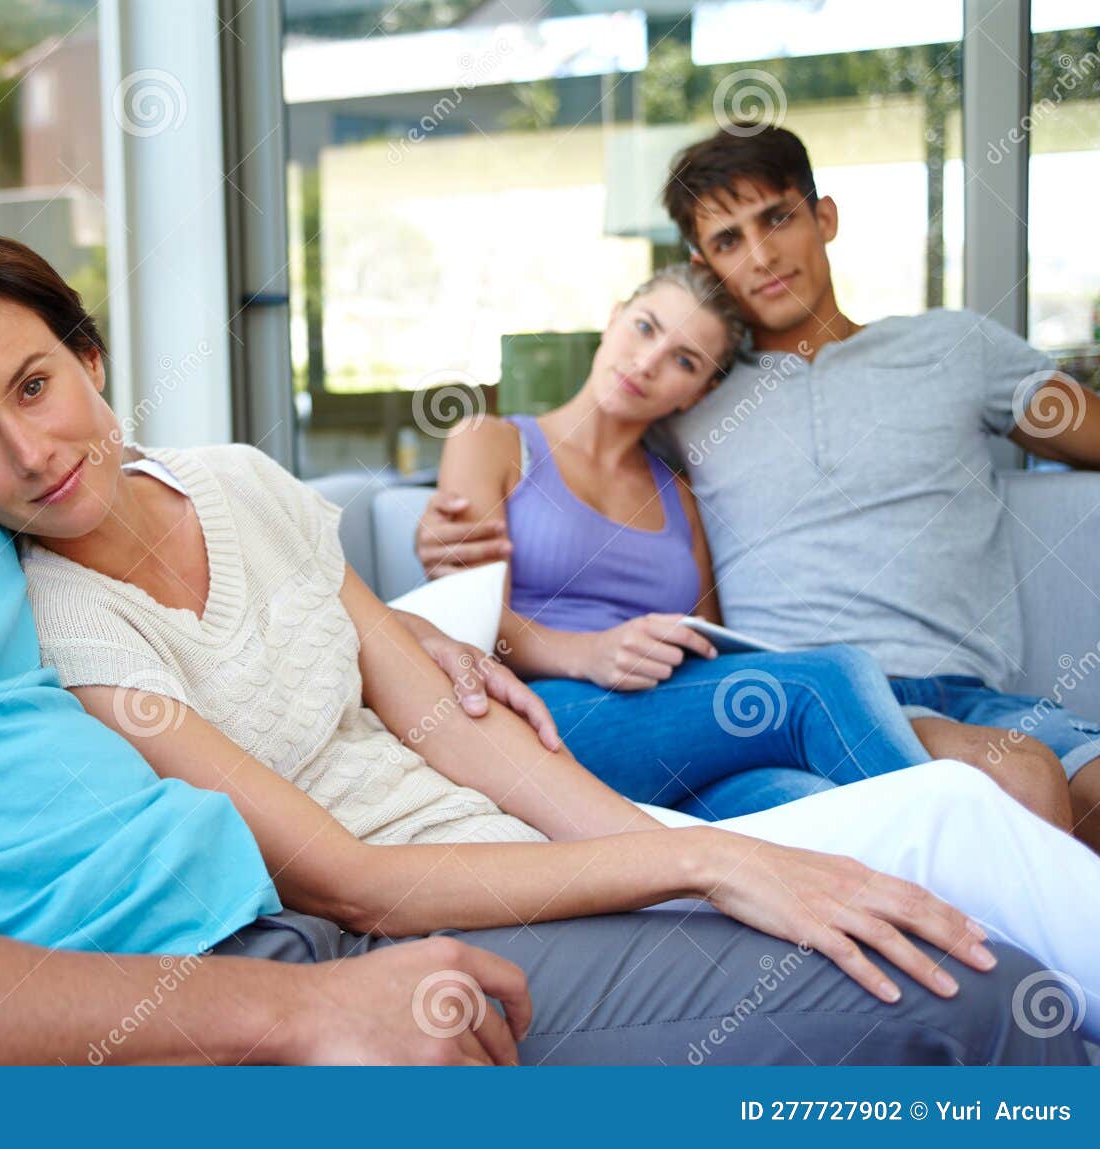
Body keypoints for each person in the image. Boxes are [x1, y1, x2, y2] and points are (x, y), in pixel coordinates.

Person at [0, 0, 1080, 1067]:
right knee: (977, 1008)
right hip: (237, 998)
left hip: (296, 923)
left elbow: (226, 551)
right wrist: (300, 1016)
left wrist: (472, 648)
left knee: (973, 973)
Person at [0, 232, 1100, 1042]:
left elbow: (443, 719)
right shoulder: (65, 625)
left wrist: (663, 841)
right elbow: (349, 879)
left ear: (90, 360)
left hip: (538, 832)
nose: (29, 453)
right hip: (448, 905)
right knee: (978, 979)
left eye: (32, 386)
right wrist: (699, 865)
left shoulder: (233, 478)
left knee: (951, 816)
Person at [418, 123, 1100, 844]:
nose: (763, 256)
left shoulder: (956, 349)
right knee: (1014, 779)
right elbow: (554, 468)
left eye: (777, 218)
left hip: (979, 695)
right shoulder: (696, 405)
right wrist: (437, 528)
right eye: (728, 241)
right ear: (701, 265)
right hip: (808, 699)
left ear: (823, 216)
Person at [430, 262, 947, 820]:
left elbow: (710, 641)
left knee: (808, 805)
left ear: (698, 393)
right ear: (613, 319)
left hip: (674, 731)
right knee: (833, 676)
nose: (647, 363)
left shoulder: (679, 495)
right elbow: (468, 623)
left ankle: (963, 893)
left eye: (684, 361)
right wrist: (590, 654)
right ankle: (983, 852)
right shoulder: (491, 441)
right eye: (645, 327)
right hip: (540, 712)